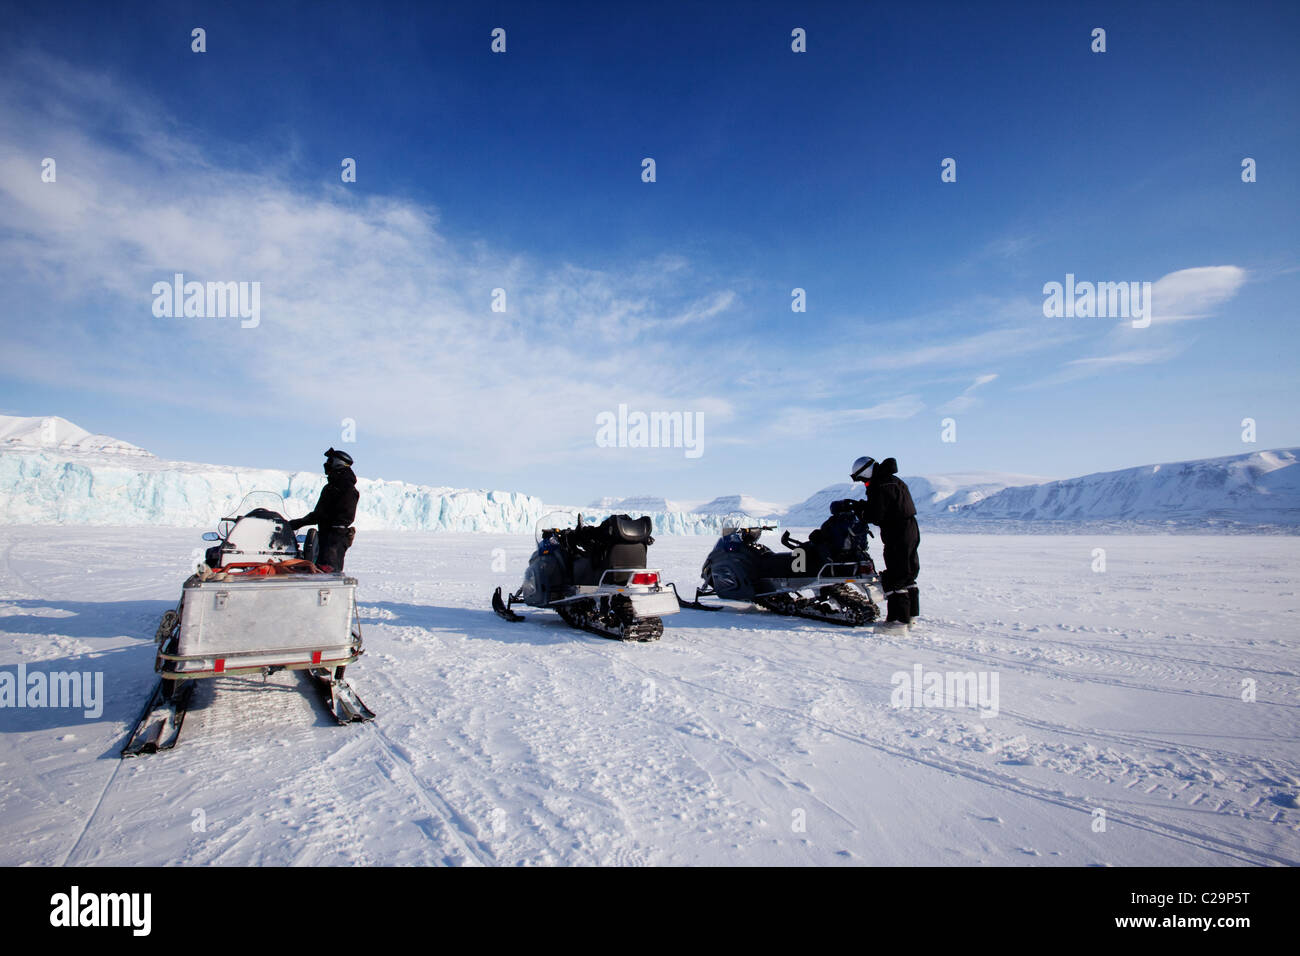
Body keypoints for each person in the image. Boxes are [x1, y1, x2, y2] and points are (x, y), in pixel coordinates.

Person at [850, 455, 920, 624]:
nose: (863, 483)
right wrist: (862, 505)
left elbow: (876, 514)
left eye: (862, 479)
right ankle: (910, 616)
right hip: (910, 529)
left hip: (896, 531)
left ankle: (897, 622)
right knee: (907, 574)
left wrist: (860, 510)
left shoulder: (879, 485)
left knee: (896, 576)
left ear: (866, 472)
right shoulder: (894, 481)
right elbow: (888, 506)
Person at [290, 448, 359, 572]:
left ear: (337, 463)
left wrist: (296, 523)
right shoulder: (342, 486)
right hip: (334, 538)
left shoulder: (337, 487)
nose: (326, 464)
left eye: (329, 461)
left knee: (326, 574)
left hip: (332, 540)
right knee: (328, 573)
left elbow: (321, 514)